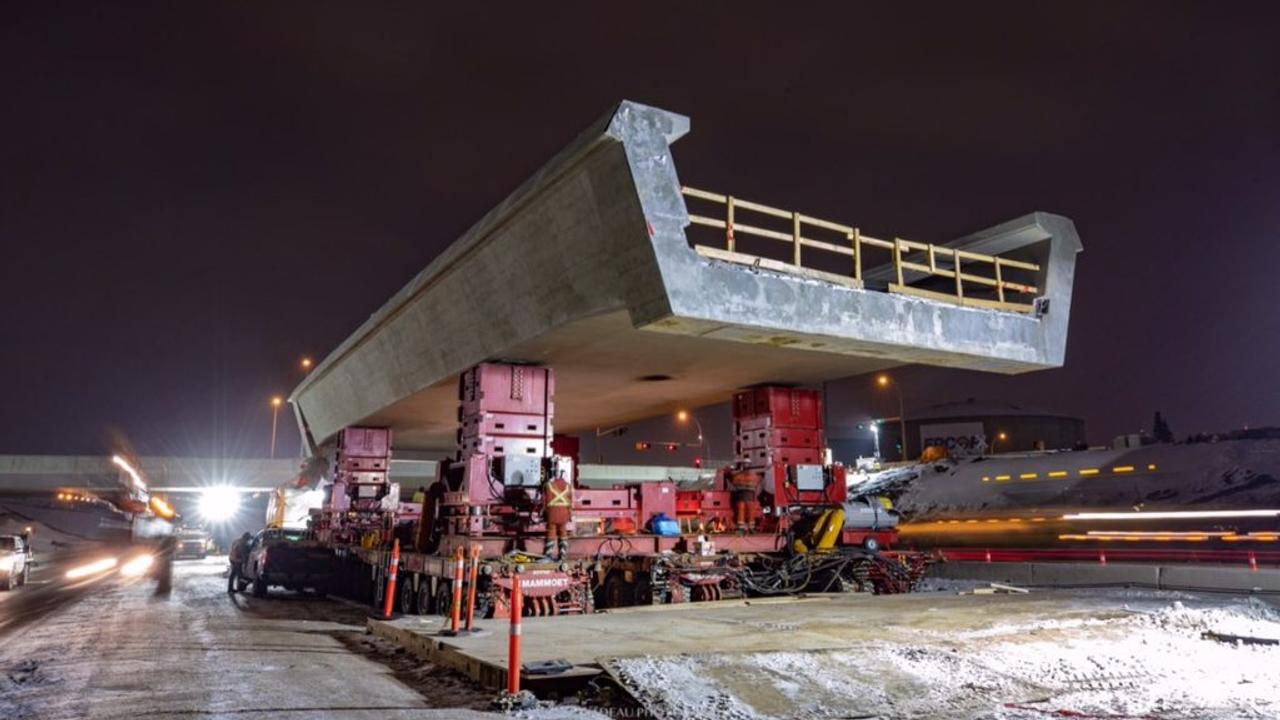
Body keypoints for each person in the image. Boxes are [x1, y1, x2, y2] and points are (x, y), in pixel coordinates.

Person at [542, 468, 573, 560]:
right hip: (564, 514)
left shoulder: (548, 485)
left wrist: (544, 513)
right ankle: (562, 555)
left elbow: (545, 501)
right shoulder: (568, 486)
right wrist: (569, 515)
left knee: (551, 532)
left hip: (552, 513)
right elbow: (570, 502)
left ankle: (548, 555)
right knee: (563, 532)